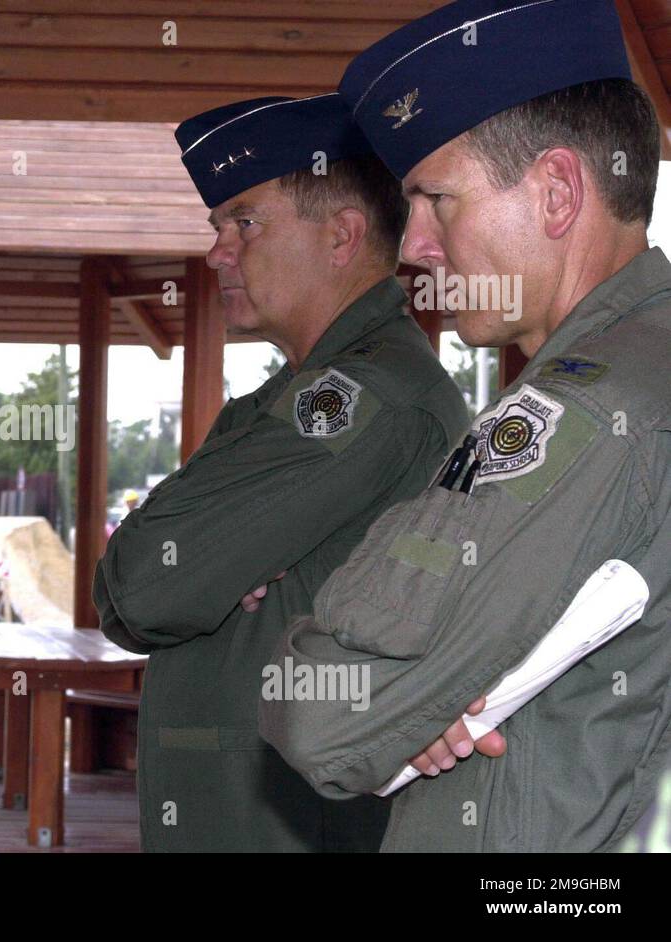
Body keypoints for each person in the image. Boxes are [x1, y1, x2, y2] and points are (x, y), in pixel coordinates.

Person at [260, 0, 670, 852]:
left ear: (557, 191)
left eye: (435, 198)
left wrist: (365, 683)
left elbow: (317, 714)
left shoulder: (588, 409)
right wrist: (415, 697)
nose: (413, 246)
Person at [93, 94, 467, 851]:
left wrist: (204, 563)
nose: (217, 252)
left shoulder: (369, 395)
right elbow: (152, 583)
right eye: (217, 227)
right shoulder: (292, 392)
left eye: (245, 221)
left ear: (342, 234)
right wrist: (207, 563)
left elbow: (138, 587)